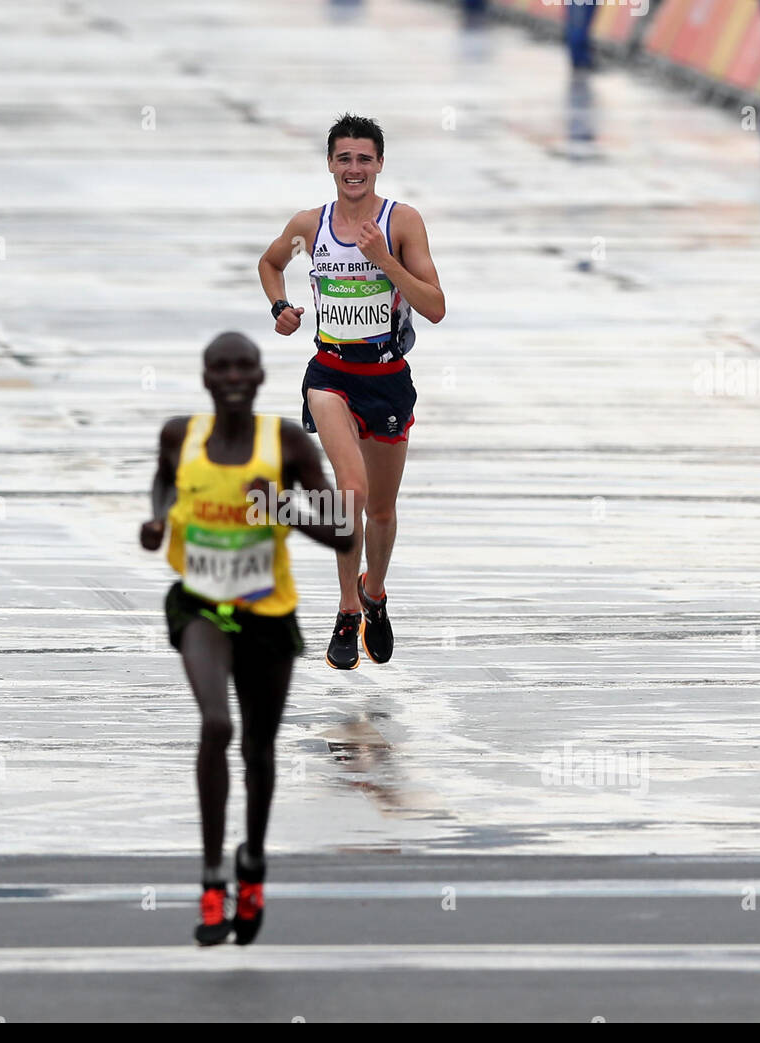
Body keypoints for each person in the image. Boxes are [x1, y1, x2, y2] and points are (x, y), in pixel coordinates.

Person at [140, 332, 353, 946]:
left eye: (244, 368)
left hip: (267, 614)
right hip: (202, 607)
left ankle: (252, 863)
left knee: (258, 749)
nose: (233, 377)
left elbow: (342, 532)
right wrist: (158, 520)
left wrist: (283, 507)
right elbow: (163, 482)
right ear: (206, 379)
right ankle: (211, 879)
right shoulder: (181, 436)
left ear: (260, 378)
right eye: (220, 368)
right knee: (216, 726)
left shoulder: (283, 442)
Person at [257, 113, 445, 670]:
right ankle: (345, 610)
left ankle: (375, 594)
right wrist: (280, 307)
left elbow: (434, 307)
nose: (355, 169)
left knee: (381, 511)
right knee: (353, 492)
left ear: (380, 163)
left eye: (365, 158)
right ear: (331, 164)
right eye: (345, 159)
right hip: (330, 375)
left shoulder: (402, 221)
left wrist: (384, 261)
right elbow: (270, 264)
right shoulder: (309, 226)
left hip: (387, 381)